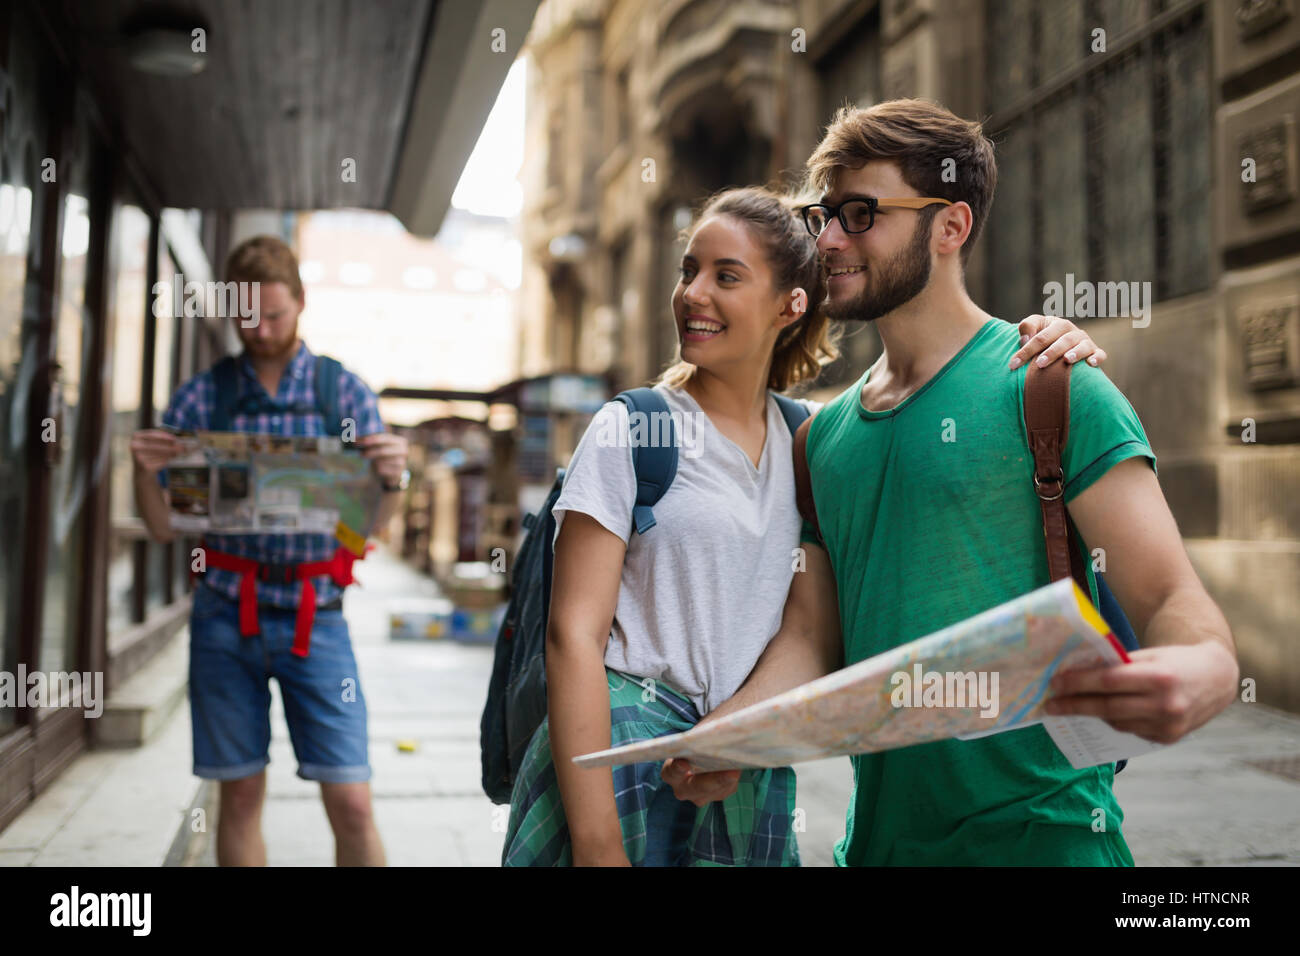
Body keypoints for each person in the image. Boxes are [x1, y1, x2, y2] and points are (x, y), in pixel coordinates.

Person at [665, 99, 1239, 867]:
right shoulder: (821, 441)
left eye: (861, 213)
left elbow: (1173, 601)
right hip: (875, 850)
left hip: (1049, 846)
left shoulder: (1052, 387)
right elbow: (812, 635)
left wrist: (1200, 672)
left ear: (950, 227)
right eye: (823, 215)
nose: (829, 240)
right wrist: (732, 734)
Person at [501, 186, 1107, 867]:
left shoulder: (813, 443)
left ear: (791, 306)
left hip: (744, 769)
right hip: (614, 765)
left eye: (726, 276)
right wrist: (597, 844)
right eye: (688, 271)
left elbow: (812, 630)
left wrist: (1053, 337)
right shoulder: (633, 428)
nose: (694, 293)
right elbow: (571, 636)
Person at [130, 235, 410, 866]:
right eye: (245, 316)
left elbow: (367, 531)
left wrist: (395, 481)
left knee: (353, 800)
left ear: (302, 304)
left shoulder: (344, 395)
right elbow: (161, 527)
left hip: (319, 617)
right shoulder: (204, 398)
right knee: (240, 795)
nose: (259, 330)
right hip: (226, 617)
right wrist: (143, 474)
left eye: (274, 315)